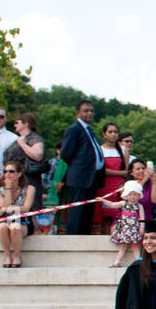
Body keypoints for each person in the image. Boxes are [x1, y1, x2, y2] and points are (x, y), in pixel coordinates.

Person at [59, 99, 105, 236]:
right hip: (80, 177)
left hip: (92, 178)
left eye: (91, 110)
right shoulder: (74, 129)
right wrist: (80, 165)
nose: (89, 113)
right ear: (78, 113)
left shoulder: (89, 130)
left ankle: (84, 238)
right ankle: (72, 239)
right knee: (77, 210)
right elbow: (66, 153)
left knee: (87, 211)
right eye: (86, 110)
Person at [0, 161, 36, 267]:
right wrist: (8, 188)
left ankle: (16, 255)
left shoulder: (29, 189)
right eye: (5, 172)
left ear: (19, 174)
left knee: (14, 226)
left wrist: (5, 209)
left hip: (23, 222)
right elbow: (5, 206)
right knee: (2, 227)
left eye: (11, 171)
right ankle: (7, 254)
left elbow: (26, 208)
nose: (8, 174)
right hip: (4, 221)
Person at [102, 178, 144, 267]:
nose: (132, 196)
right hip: (125, 228)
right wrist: (103, 200)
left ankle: (140, 263)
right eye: (130, 194)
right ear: (126, 195)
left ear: (138, 195)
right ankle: (117, 262)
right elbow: (112, 204)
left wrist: (141, 228)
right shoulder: (123, 203)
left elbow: (142, 218)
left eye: (135, 194)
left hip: (134, 229)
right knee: (123, 246)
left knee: (135, 247)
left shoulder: (139, 206)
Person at [95, 122, 128, 235]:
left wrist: (122, 173)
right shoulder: (99, 149)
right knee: (105, 216)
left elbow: (127, 170)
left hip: (119, 187)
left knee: (119, 214)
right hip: (104, 186)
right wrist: (120, 173)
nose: (113, 134)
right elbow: (100, 170)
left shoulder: (123, 149)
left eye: (116, 132)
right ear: (104, 134)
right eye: (110, 132)